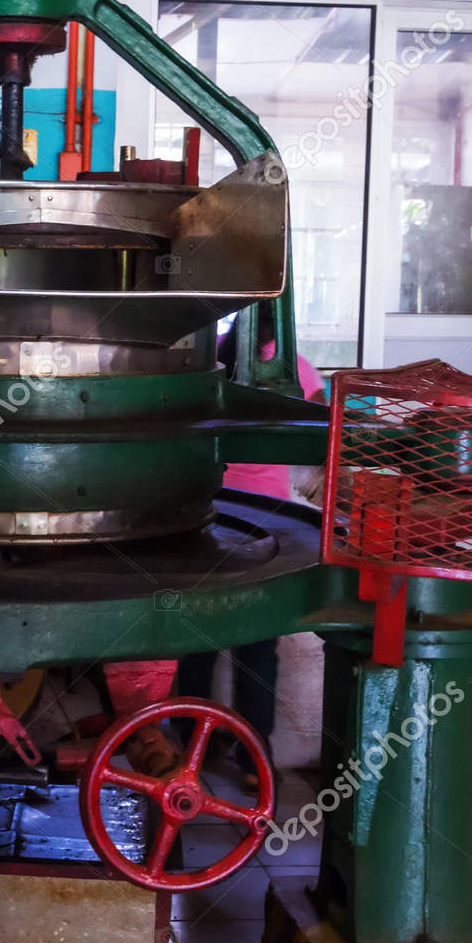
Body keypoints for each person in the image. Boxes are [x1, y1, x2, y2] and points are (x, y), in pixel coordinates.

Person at [176, 315, 324, 788]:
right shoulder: (292, 367)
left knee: (195, 645)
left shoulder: (204, 358)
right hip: (269, 530)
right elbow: (322, 430)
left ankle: (188, 753)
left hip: (201, 517)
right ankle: (253, 760)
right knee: (258, 650)